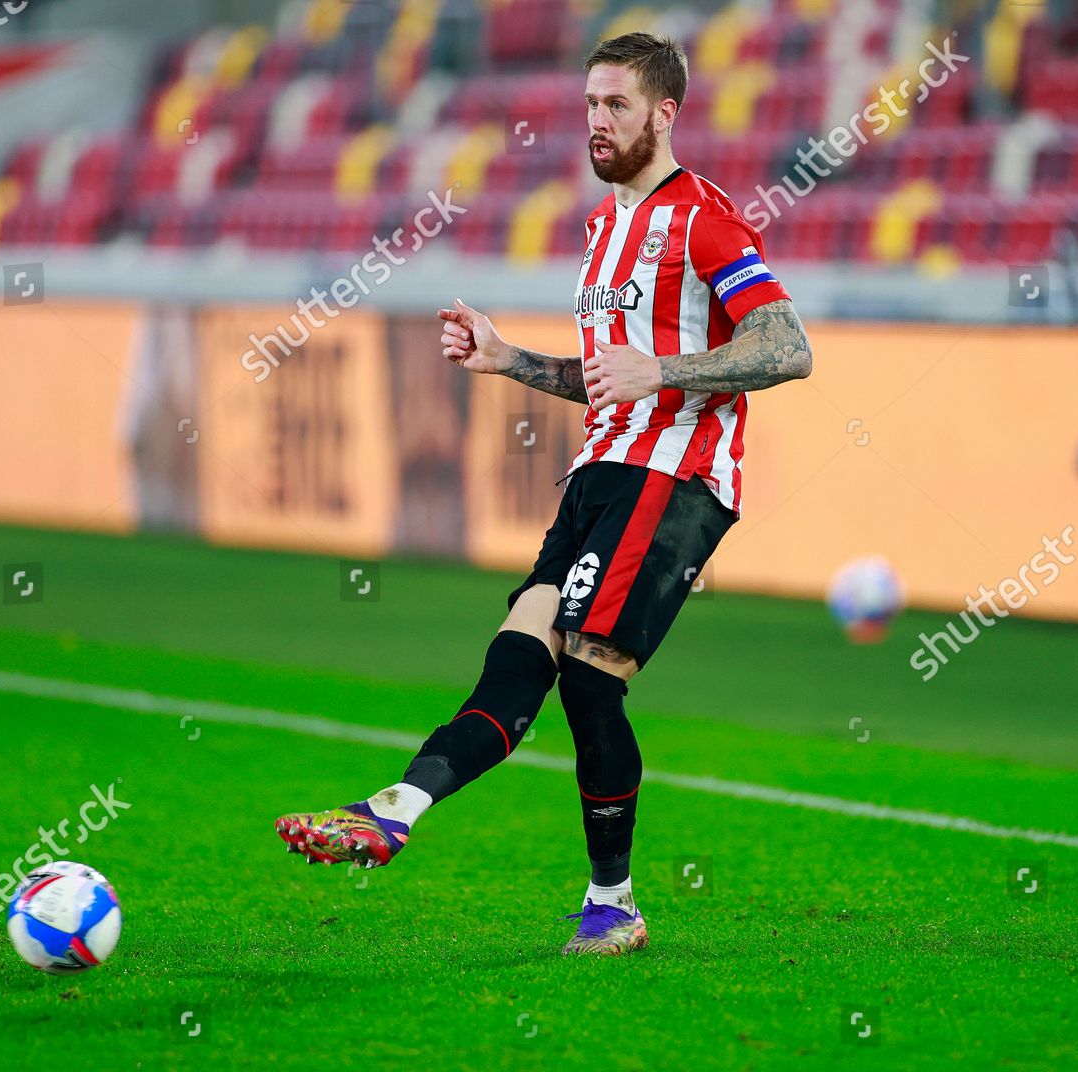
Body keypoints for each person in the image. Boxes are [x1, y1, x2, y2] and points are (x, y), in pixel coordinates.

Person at [276, 31, 811, 955]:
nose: (596, 122)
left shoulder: (705, 220)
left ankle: (614, 906)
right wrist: (508, 359)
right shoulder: (604, 229)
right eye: (590, 104)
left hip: (673, 475)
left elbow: (788, 346)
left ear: (663, 113)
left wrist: (666, 371)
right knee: (517, 659)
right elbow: (604, 377)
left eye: (616, 106)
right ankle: (397, 808)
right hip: (599, 473)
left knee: (592, 685)